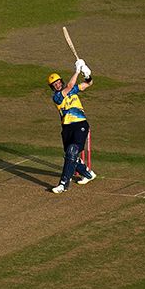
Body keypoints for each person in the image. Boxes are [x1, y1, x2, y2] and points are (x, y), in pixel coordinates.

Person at [47, 58, 97, 194]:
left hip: (80, 124)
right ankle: (88, 174)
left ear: (61, 81)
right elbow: (69, 87)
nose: (57, 85)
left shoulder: (73, 90)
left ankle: (63, 184)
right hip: (67, 128)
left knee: (72, 151)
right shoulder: (57, 97)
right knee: (71, 154)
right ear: (52, 87)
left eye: (58, 82)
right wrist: (76, 71)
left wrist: (87, 74)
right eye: (54, 85)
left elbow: (88, 84)